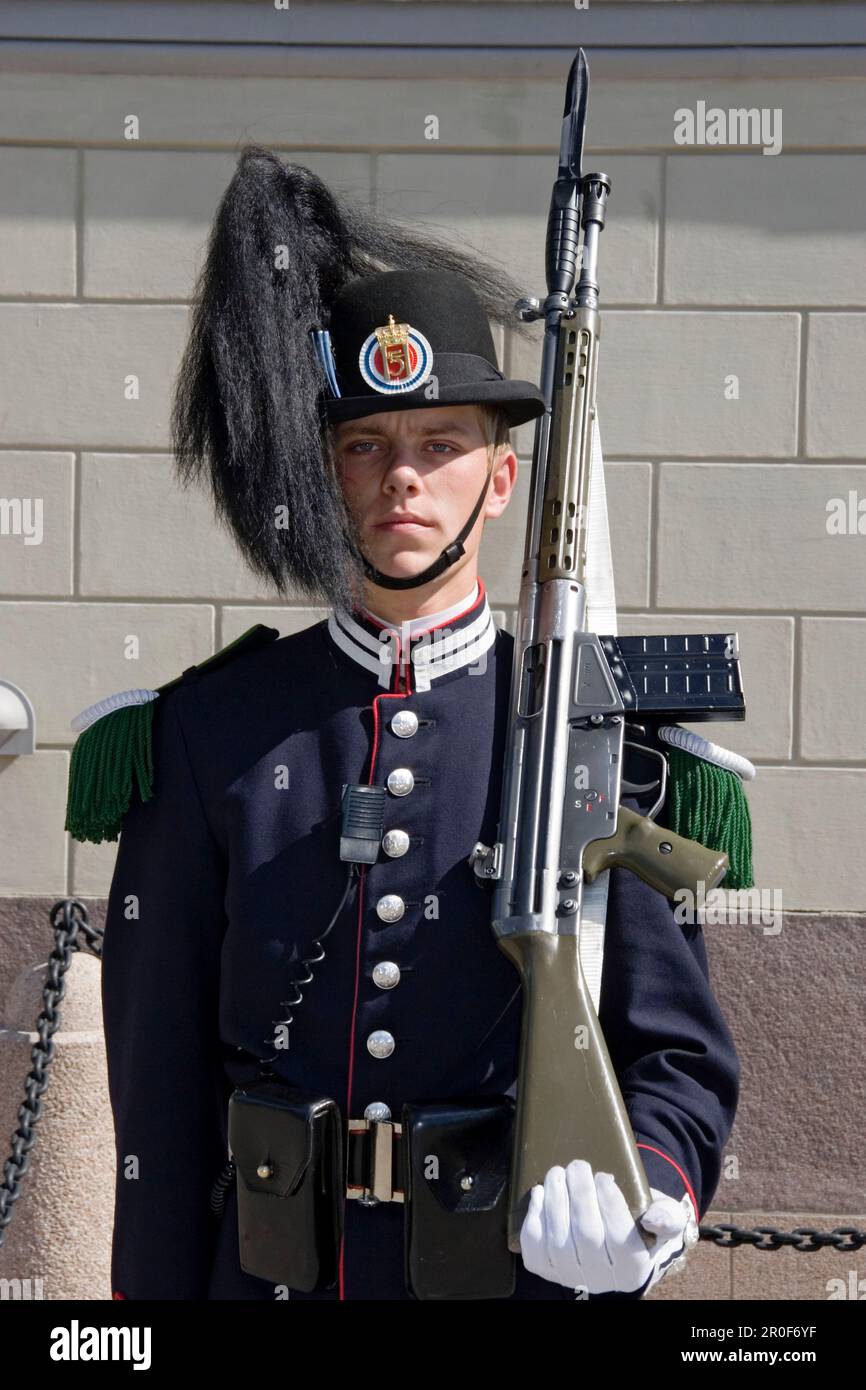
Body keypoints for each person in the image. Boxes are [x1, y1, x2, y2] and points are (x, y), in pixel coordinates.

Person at [65, 150, 739, 1301]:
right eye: (364, 446)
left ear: (502, 478)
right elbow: (161, 1094)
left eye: (440, 444)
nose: (401, 480)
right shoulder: (207, 731)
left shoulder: (591, 730)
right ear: (323, 476)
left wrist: (656, 1193)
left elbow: (672, 1052)